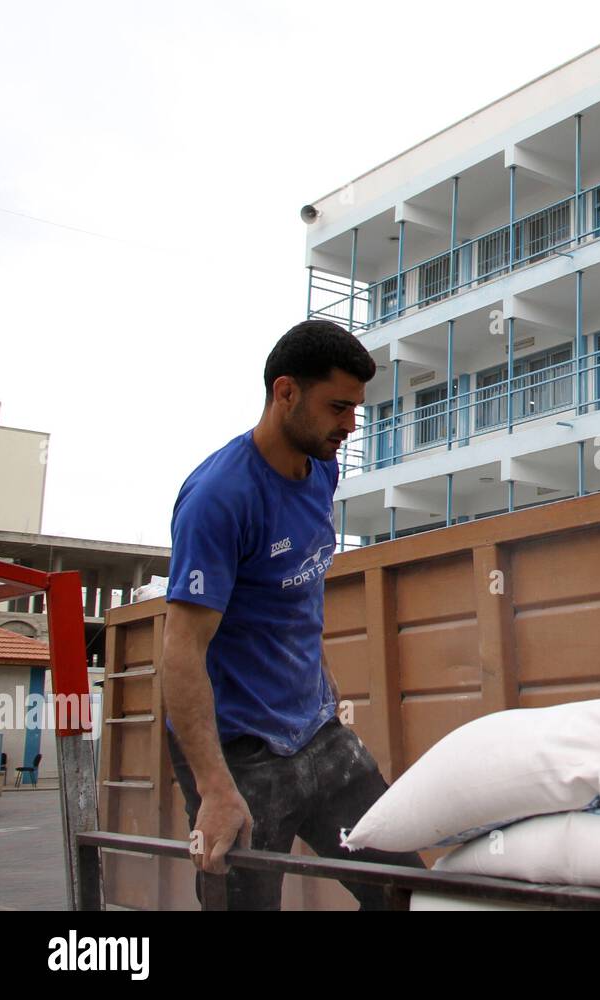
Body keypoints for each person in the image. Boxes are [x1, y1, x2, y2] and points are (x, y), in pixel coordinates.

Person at [161, 319, 423, 909]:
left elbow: (296, 585)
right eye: (338, 407)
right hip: (237, 753)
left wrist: (321, 676)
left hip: (318, 732)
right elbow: (181, 650)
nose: (350, 426)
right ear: (285, 393)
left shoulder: (321, 467)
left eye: (356, 409)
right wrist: (214, 788)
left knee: (409, 892)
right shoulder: (218, 498)